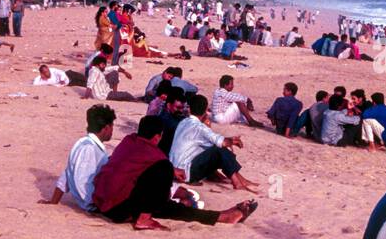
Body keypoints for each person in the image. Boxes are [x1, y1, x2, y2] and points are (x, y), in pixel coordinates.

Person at [90, 115, 257, 230]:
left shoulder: (129, 141)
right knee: (162, 176)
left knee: (167, 204)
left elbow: (140, 164)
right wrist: (171, 171)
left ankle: (222, 216)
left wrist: (171, 171)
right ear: (157, 137)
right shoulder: (154, 153)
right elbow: (161, 166)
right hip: (118, 209)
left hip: (103, 203)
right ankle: (144, 219)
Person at [171, 94, 256, 191]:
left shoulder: (184, 122)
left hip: (174, 169)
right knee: (220, 150)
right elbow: (221, 143)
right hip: (186, 173)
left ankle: (241, 180)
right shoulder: (199, 127)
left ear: (190, 110)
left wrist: (229, 140)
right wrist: (231, 141)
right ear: (205, 111)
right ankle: (237, 182)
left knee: (217, 149)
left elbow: (209, 141)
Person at [40, 105, 115, 211]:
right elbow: (82, 181)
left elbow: (68, 173)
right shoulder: (89, 148)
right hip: (93, 203)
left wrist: (54, 201)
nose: (112, 131)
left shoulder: (84, 143)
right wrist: (93, 204)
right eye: (112, 127)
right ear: (106, 127)